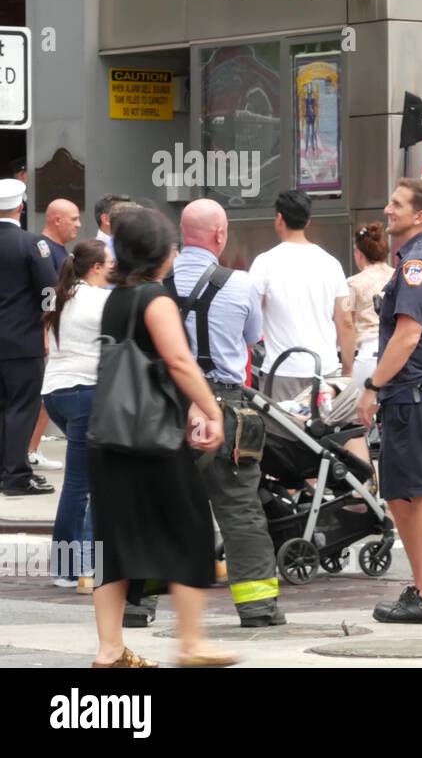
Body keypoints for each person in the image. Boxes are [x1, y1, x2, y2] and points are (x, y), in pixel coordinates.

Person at [90, 206, 237, 668]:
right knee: (191, 529)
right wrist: (211, 409)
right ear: (162, 252)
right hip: (152, 440)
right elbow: (178, 362)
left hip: (108, 437)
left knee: (113, 544)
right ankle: (191, 643)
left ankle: (110, 648)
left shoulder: (114, 299)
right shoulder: (156, 299)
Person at [168, 198, 284, 628]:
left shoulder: (158, 283)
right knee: (240, 507)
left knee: (156, 504)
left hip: (167, 406)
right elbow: (253, 336)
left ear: (183, 232)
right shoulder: (239, 284)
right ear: (220, 235)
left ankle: (136, 607)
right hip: (226, 406)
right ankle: (258, 607)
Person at [358, 179, 422, 624]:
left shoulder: (418, 262)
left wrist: (373, 385)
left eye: (396, 204)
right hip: (408, 394)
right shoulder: (415, 260)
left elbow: (408, 333)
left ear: (420, 216)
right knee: (400, 494)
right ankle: (421, 589)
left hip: (415, 390)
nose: (387, 208)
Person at [41, 240, 111, 593]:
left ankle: (67, 566)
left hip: (54, 391)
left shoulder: (57, 295)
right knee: (84, 483)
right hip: (86, 391)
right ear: (95, 267)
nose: (112, 267)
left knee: (76, 481)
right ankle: (74, 568)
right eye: (108, 263)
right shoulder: (100, 300)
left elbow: (45, 339)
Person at [249, 190, 355, 401]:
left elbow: (250, 312)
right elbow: (346, 321)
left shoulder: (265, 263)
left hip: (281, 371)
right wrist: (347, 371)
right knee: (325, 431)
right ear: (307, 222)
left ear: (279, 219)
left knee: (283, 432)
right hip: (326, 370)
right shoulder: (331, 264)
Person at [0, 178, 58, 496]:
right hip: (22, 342)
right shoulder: (32, 244)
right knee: (22, 407)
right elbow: (49, 293)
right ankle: (17, 476)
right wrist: (46, 329)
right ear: (21, 207)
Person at [28, 198, 84, 475]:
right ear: (56, 220)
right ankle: (30, 449)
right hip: (48, 334)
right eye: (73, 219)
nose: (78, 224)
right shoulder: (44, 251)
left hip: (57, 333)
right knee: (43, 395)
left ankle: (30, 448)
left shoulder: (59, 251)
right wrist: (46, 334)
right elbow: (46, 296)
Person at [345, 222, 395, 387]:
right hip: (397, 352)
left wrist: (347, 367)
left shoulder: (353, 283)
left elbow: (347, 324)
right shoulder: (398, 276)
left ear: (359, 253)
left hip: (368, 353)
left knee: (364, 408)